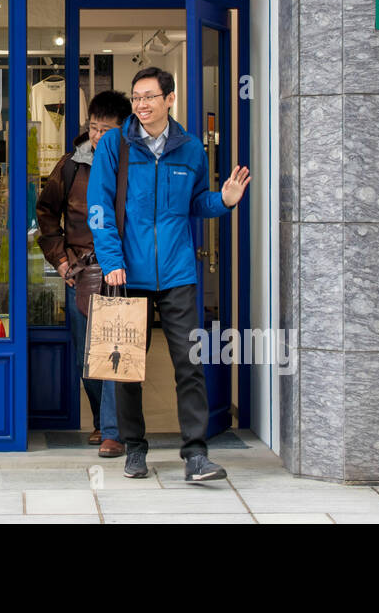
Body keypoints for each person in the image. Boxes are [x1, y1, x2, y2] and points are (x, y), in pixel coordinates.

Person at [87, 66, 250, 482]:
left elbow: (196, 204)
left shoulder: (192, 149)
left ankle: (196, 454)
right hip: (128, 274)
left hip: (178, 273)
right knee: (128, 368)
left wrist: (225, 201)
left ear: (169, 99)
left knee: (189, 365)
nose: (140, 104)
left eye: (149, 97)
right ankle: (135, 448)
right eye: (136, 97)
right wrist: (112, 262)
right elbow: (100, 209)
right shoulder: (113, 146)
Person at [36, 89, 133, 458]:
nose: (96, 136)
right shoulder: (72, 165)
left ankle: (113, 429)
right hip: (81, 272)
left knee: (118, 351)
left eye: (106, 130)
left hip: (123, 271)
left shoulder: (134, 164)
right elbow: (45, 212)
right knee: (87, 358)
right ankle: (100, 419)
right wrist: (60, 260)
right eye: (93, 128)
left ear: (123, 131)